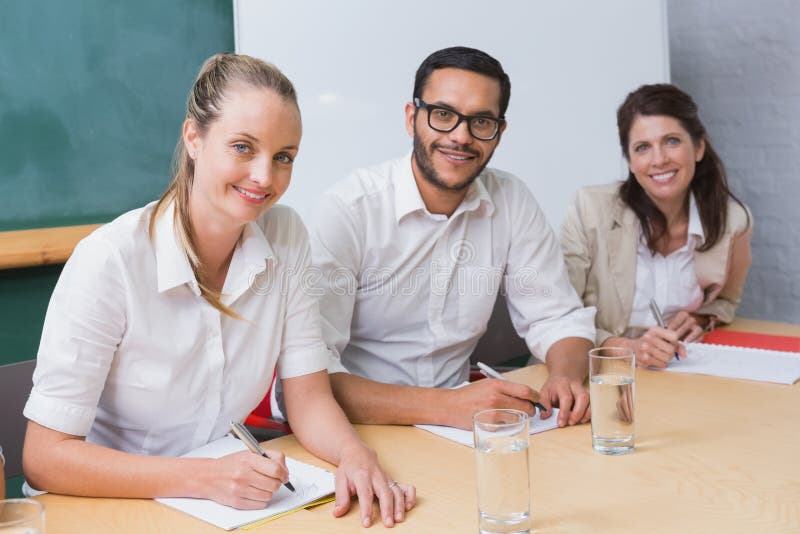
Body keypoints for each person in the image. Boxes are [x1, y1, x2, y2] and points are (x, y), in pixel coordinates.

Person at [21, 53, 414, 529]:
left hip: (212, 510)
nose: (265, 178)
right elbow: (45, 457)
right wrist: (205, 479)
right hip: (104, 510)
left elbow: (309, 400)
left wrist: (357, 455)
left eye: (283, 157)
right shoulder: (111, 260)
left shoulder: (286, 233)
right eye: (243, 147)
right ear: (194, 138)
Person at [310, 46, 596, 431]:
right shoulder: (348, 209)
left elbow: (557, 318)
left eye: (480, 122)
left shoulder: (511, 199)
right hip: (359, 430)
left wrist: (565, 376)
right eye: (443, 115)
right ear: (412, 119)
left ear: (499, 132)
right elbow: (308, 378)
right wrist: (445, 407)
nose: (461, 136)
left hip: (459, 430)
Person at [560, 83, 752, 368]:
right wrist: (628, 348)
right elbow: (561, 315)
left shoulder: (733, 220)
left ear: (698, 147)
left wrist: (699, 318)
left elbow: (726, 301)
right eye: (642, 147)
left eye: (672, 141)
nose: (659, 159)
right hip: (600, 371)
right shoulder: (589, 209)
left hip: (681, 370)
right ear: (630, 161)